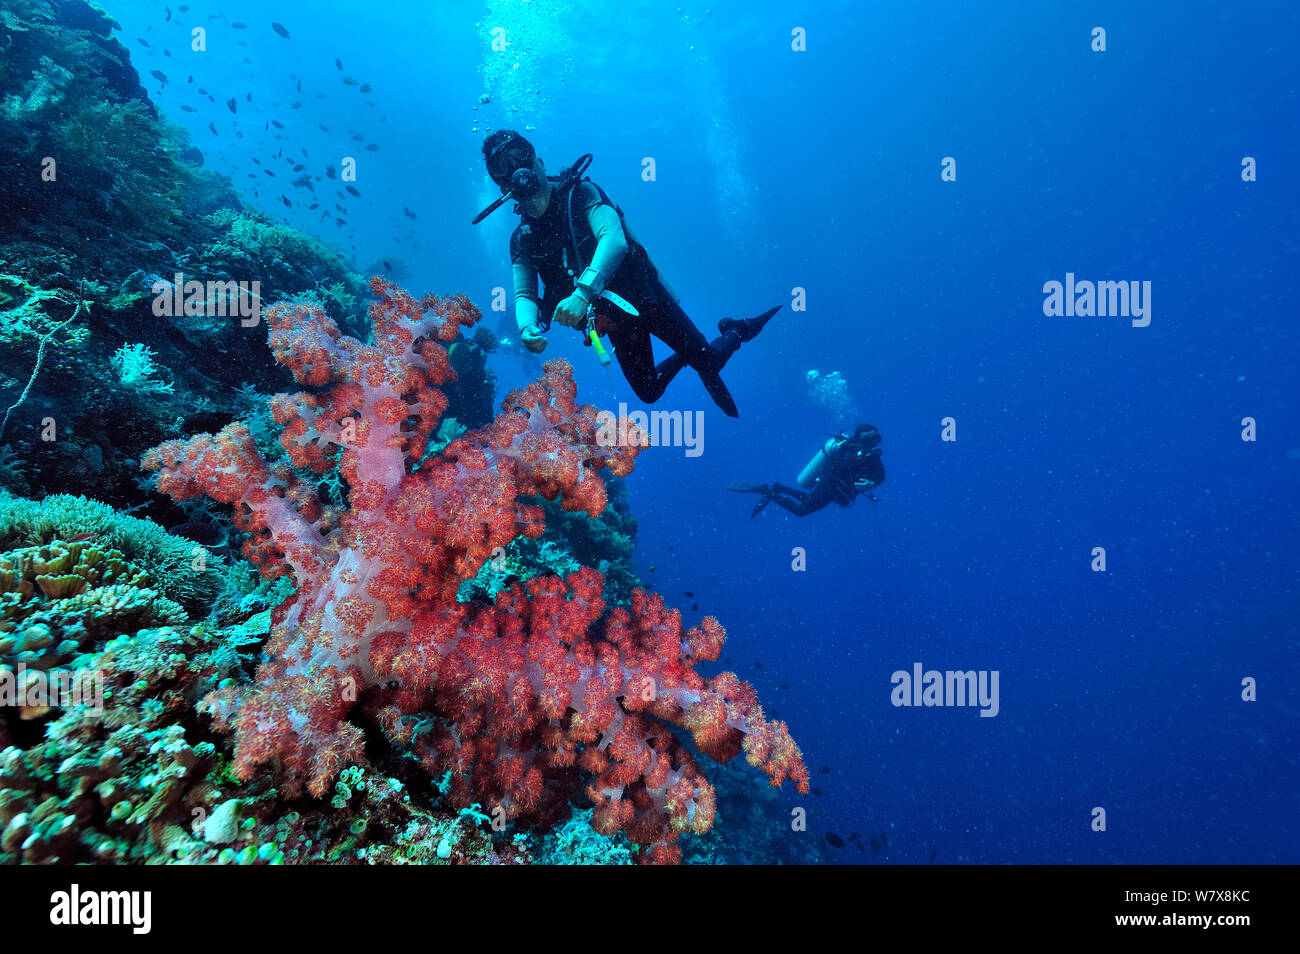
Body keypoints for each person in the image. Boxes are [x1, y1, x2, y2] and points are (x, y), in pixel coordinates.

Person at [475, 130, 780, 417]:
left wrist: (581, 294)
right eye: (501, 165)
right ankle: (691, 354)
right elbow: (524, 294)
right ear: (502, 187)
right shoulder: (523, 239)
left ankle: (736, 329)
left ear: (539, 162)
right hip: (615, 322)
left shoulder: (582, 193)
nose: (516, 166)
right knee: (649, 392)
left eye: (521, 154)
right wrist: (527, 326)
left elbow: (614, 239)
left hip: (646, 297)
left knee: (711, 361)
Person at [730, 425, 885, 517]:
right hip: (830, 486)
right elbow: (842, 469)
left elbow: (881, 476)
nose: (872, 444)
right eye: (867, 440)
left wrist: (871, 482)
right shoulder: (848, 450)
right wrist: (857, 480)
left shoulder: (873, 456)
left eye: (875, 439)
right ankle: (767, 492)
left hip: (840, 492)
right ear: (858, 440)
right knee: (801, 511)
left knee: (808, 500)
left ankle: (779, 488)